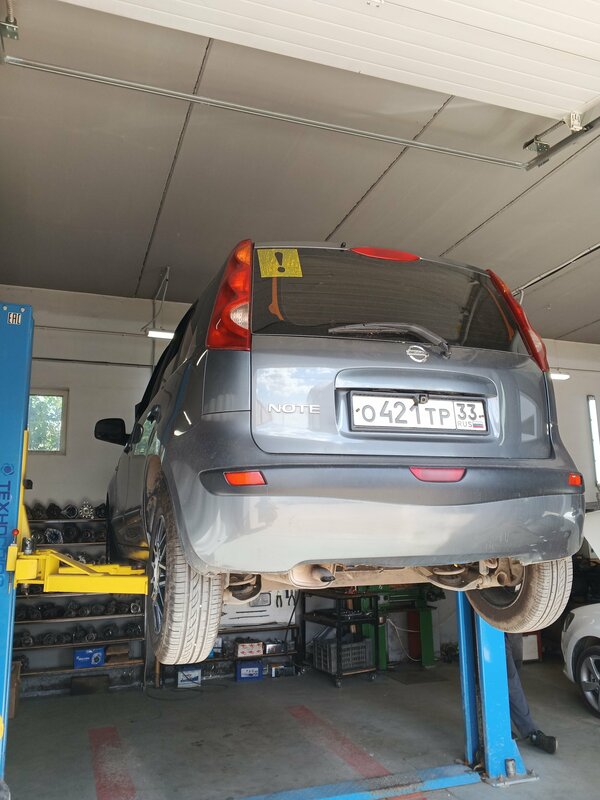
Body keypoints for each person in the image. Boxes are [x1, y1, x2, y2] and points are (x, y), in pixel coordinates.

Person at [505, 633, 557, 754]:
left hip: (513, 631)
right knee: (511, 680)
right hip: (493, 631)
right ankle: (531, 732)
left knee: (514, 674)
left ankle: (502, 725)